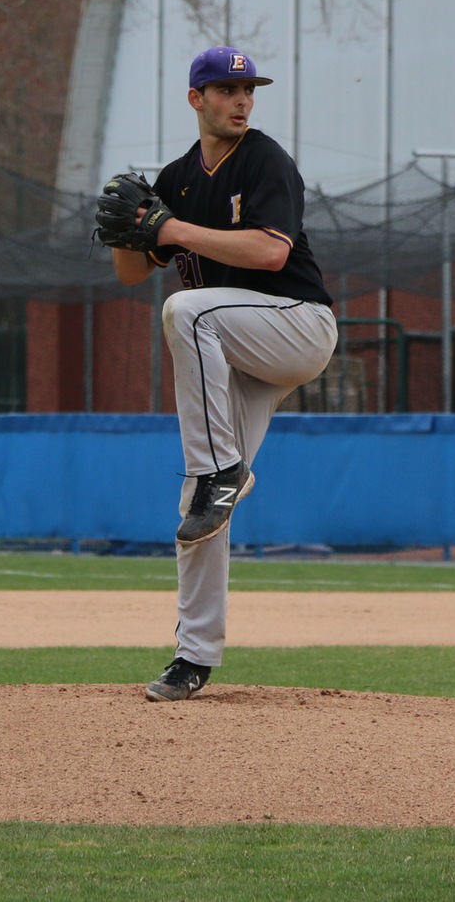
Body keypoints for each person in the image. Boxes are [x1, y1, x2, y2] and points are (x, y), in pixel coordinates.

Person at [101, 46, 337, 702]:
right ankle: (192, 655)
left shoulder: (265, 161)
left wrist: (171, 228)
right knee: (198, 508)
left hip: (297, 325)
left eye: (248, 88)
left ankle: (220, 470)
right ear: (194, 98)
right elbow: (128, 273)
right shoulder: (176, 177)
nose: (241, 99)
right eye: (226, 88)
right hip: (237, 351)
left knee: (188, 311)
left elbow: (268, 251)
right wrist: (130, 233)